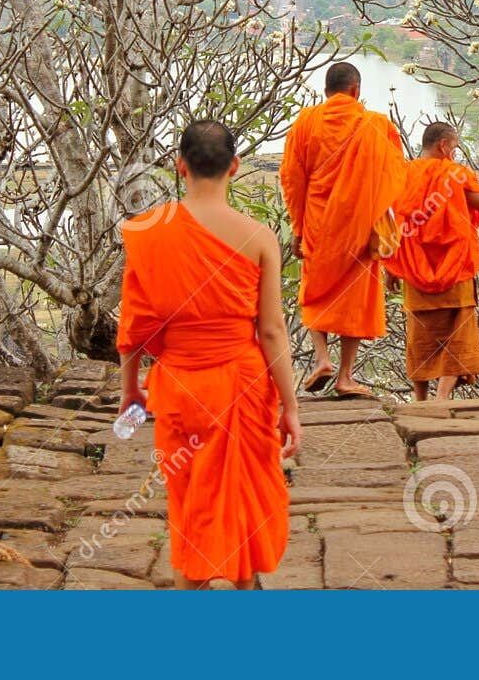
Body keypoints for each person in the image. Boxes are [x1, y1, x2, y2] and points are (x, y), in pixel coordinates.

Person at [117, 119, 303, 590]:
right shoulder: (258, 236)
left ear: (180, 167)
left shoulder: (147, 230)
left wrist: (130, 393)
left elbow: (135, 326)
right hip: (242, 386)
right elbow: (272, 330)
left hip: (179, 385)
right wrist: (291, 405)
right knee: (243, 495)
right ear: (235, 167)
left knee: (188, 498)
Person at [279, 60, 405, 396]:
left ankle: (322, 358)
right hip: (360, 227)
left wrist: (298, 226)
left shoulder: (307, 122)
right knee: (356, 297)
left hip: (318, 224)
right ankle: (345, 376)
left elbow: (292, 178)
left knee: (313, 289)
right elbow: (394, 172)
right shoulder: (376, 125)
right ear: (356, 91)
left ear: (326, 92)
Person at [384, 121, 479, 401]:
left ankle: (420, 399)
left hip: (414, 265)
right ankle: (442, 397)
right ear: (444, 146)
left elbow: (390, 221)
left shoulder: (401, 175)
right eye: (456, 148)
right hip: (455, 265)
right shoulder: (455, 176)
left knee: (420, 332)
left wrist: (391, 265)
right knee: (458, 331)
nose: (456, 154)